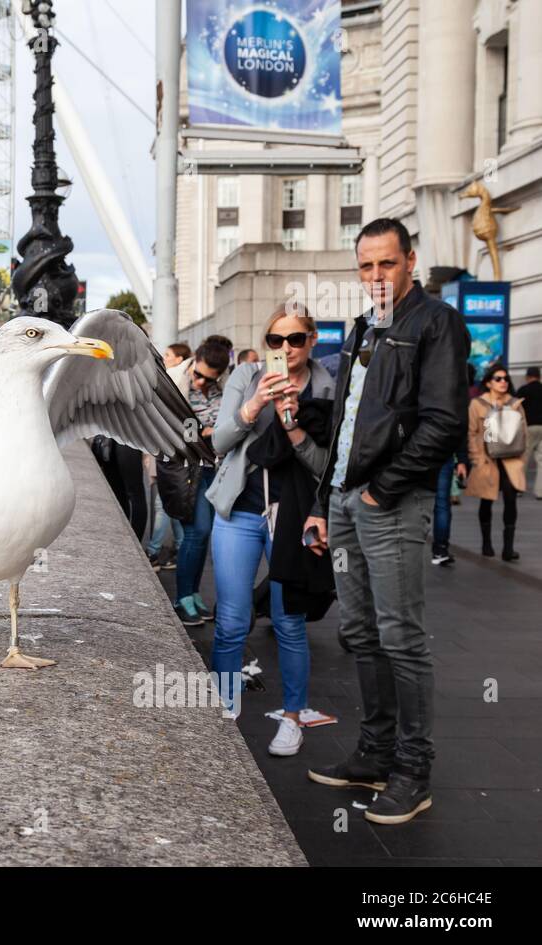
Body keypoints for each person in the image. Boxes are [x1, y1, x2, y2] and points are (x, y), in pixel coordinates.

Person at [302, 217, 469, 825]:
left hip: (390, 502)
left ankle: (412, 770)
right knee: (362, 634)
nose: (376, 276)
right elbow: (349, 424)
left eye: (387, 264)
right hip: (346, 500)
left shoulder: (435, 322)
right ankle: (375, 753)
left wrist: (381, 492)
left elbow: (443, 421)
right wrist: (328, 502)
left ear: (411, 261)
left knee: (401, 638)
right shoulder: (362, 328)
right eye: (366, 265)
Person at [208, 305, 336, 755]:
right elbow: (219, 441)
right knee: (231, 620)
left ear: (312, 339)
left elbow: (325, 466)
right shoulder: (247, 375)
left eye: (296, 340)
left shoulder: (326, 385)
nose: (286, 350)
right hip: (241, 509)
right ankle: (222, 706)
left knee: (290, 622)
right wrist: (255, 405)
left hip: (295, 516)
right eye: (276, 341)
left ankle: (294, 716)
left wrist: (293, 423)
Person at [158, 338, 229, 626]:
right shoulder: (173, 379)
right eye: (198, 375)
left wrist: (209, 432)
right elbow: (164, 426)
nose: (200, 383)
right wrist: (207, 431)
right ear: (194, 361)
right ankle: (183, 597)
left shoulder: (224, 386)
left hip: (212, 465)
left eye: (208, 379)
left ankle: (193, 594)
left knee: (203, 533)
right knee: (195, 531)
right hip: (182, 467)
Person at [466, 363, 526, 561]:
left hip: (510, 461)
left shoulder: (515, 403)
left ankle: (508, 548)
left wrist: (522, 459)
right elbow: (471, 431)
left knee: (511, 500)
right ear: (488, 382)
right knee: (487, 500)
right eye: (498, 379)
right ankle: (486, 543)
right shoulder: (478, 404)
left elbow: (522, 432)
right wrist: (476, 458)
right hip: (487, 460)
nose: (503, 382)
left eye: (505, 379)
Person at [144, 453, 182, 571]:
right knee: (173, 505)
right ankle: (179, 548)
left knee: (163, 505)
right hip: (174, 460)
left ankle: (153, 553)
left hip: (172, 461)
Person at [517, 365, 542, 499]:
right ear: (539, 376)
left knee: (523, 459)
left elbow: (515, 408)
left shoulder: (523, 390)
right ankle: (540, 492)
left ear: (527, 377)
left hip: (529, 427)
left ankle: (519, 488)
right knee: (541, 460)